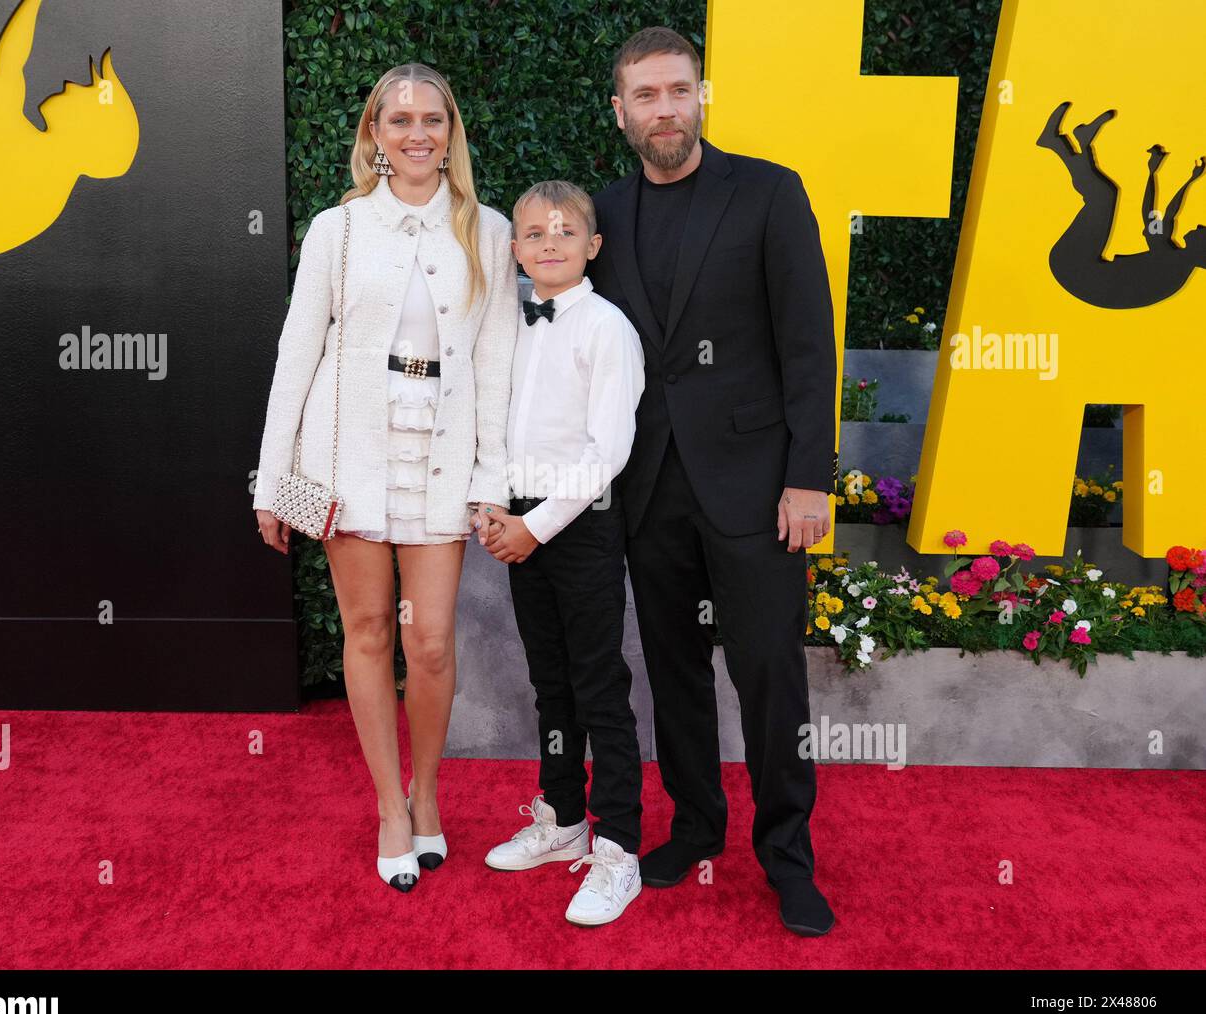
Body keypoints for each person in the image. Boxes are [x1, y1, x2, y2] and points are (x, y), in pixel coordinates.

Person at [585, 28, 840, 936]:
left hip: (757, 485)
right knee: (674, 672)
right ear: (620, 111)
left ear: (703, 97)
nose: (666, 109)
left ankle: (789, 856)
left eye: (679, 91)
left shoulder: (769, 192)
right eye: (646, 95)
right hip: (649, 490)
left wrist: (810, 479)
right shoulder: (602, 214)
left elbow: (809, 344)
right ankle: (696, 827)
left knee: (772, 675)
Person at [252, 63, 517, 893]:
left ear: (451, 133)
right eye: (397, 120)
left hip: (441, 460)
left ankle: (428, 794)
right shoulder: (336, 230)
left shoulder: (492, 231)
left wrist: (495, 480)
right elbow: (297, 353)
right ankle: (389, 810)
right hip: (350, 458)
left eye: (431, 120)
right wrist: (272, 479)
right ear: (374, 134)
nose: (415, 134)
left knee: (429, 641)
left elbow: (498, 361)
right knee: (367, 633)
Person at [476, 180, 646, 926]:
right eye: (535, 234)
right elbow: (489, 411)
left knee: (597, 684)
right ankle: (563, 819)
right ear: (515, 249)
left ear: (592, 246)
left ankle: (620, 849)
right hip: (516, 519)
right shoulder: (507, 317)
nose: (549, 243)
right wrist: (489, 502)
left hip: (576, 523)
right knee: (550, 683)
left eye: (565, 232)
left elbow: (607, 449)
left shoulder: (608, 327)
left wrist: (536, 525)